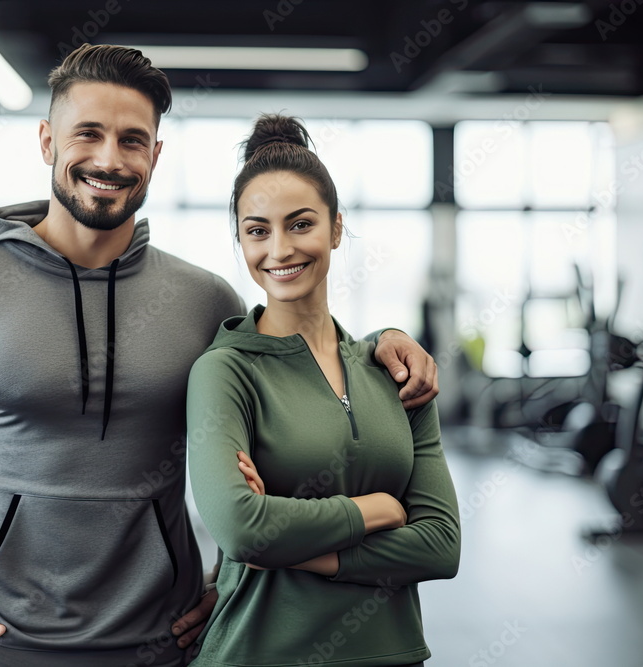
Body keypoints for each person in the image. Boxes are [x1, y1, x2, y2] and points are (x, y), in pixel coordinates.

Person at [0, 46, 439, 667]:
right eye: (87, 134)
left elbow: (292, 412)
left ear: (156, 154)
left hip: (165, 647)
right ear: (46, 140)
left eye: (133, 140)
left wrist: (385, 342)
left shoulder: (203, 300)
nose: (109, 159)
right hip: (0, 650)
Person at [186, 114, 461, 666]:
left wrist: (301, 552)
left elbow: (441, 545)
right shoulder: (225, 371)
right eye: (257, 230)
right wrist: (379, 509)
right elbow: (245, 530)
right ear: (240, 242)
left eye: (301, 224)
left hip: (393, 654)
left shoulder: (395, 369)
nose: (280, 250)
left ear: (336, 228)